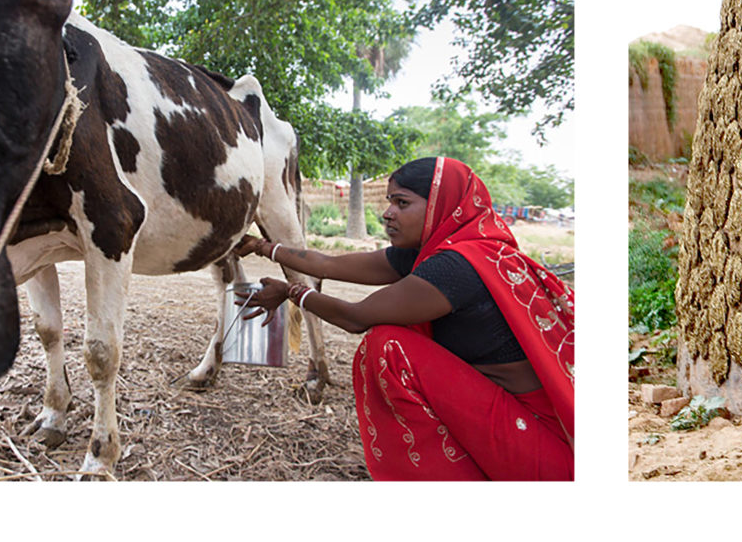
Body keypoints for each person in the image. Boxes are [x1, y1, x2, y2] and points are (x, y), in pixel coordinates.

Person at [232, 157, 574, 480]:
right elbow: (329, 265)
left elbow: (356, 317)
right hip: (512, 417)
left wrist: (291, 293)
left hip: (542, 444)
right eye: (389, 202)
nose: (387, 214)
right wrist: (262, 247)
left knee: (388, 348)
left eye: (402, 203)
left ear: (442, 205)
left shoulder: (456, 267)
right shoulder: (445, 251)